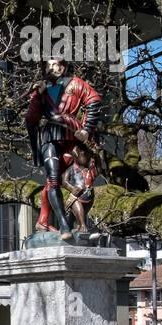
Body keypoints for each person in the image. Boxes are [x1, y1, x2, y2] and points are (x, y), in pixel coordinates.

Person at [25, 57, 102, 240]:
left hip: (71, 134)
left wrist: (86, 128)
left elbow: (94, 100)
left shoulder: (76, 84)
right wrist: (37, 97)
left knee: (80, 178)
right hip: (49, 136)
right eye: (49, 66)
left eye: (56, 64)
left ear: (64, 66)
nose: (53, 68)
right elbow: (32, 118)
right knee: (53, 179)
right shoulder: (41, 90)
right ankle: (64, 225)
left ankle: (44, 221)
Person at [61, 144, 99, 234]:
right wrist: (72, 188)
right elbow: (64, 182)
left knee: (80, 214)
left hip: (89, 196)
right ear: (76, 156)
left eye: (89, 156)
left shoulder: (90, 170)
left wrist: (97, 157)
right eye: (85, 155)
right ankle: (82, 225)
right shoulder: (71, 169)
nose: (88, 158)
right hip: (77, 196)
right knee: (78, 210)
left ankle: (77, 225)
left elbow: (98, 169)